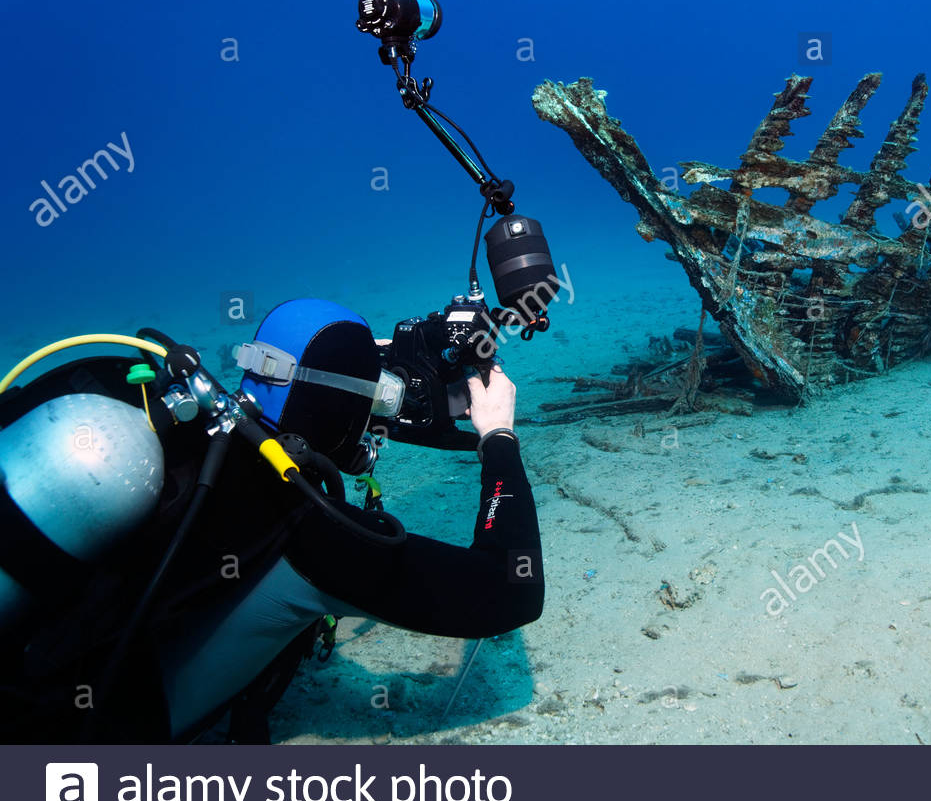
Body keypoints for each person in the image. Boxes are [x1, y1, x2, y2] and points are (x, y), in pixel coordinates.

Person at [0, 298, 544, 742]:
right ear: (343, 408)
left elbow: (317, 380)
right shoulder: (314, 530)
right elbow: (511, 589)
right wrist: (497, 436)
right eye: (376, 395)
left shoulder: (162, 415)